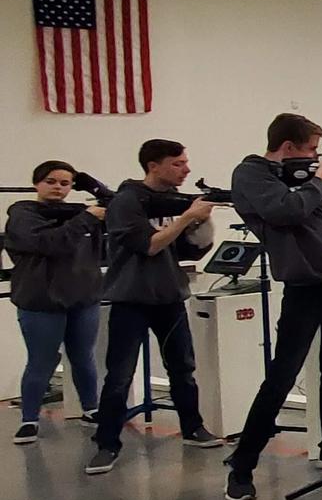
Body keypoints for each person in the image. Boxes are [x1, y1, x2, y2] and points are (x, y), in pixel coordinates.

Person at [221, 114, 322, 500]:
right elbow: (285, 211)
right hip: (304, 285)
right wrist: (320, 180)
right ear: (287, 147)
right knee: (282, 376)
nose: (315, 156)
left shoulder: (306, 180)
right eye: (310, 149)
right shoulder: (251, 174)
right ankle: (242, 466)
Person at [90, 140, 226, 475]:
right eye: (177, 163)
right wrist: (187, 217)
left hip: (169, 296)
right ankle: (107, 444)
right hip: (131, 298)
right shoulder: (126, 201)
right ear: (153, 166)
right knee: (119, 376)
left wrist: (201, 225)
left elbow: (188, 251)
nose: (186, 169)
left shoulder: (169, 201)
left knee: (183, 369)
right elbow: (148, 245)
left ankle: (193, 427)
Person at [7, 162, 105, 444]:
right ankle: (29, 419)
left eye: (65, 183)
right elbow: (49, 243)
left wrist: (97, 192)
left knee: (83, 357)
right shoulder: (23, 214)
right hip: (41, 300)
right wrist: (87, 218)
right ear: (37, 183)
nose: (58, 188)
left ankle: (91, 409)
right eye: (51, 181)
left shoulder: (79, 214)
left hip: (83, 297)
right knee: (42, 361)